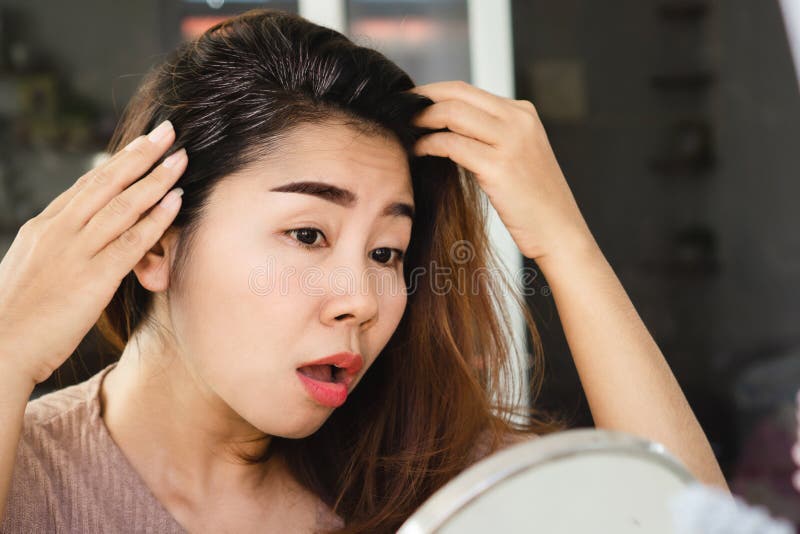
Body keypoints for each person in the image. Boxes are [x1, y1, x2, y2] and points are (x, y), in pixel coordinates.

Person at [0, 8, 728, 533]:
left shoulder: (426, 473)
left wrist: (568, 247)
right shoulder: (29, 480)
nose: (361, 300)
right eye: (309, 233)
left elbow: (697, 524)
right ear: (154, 245)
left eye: (386, 253)